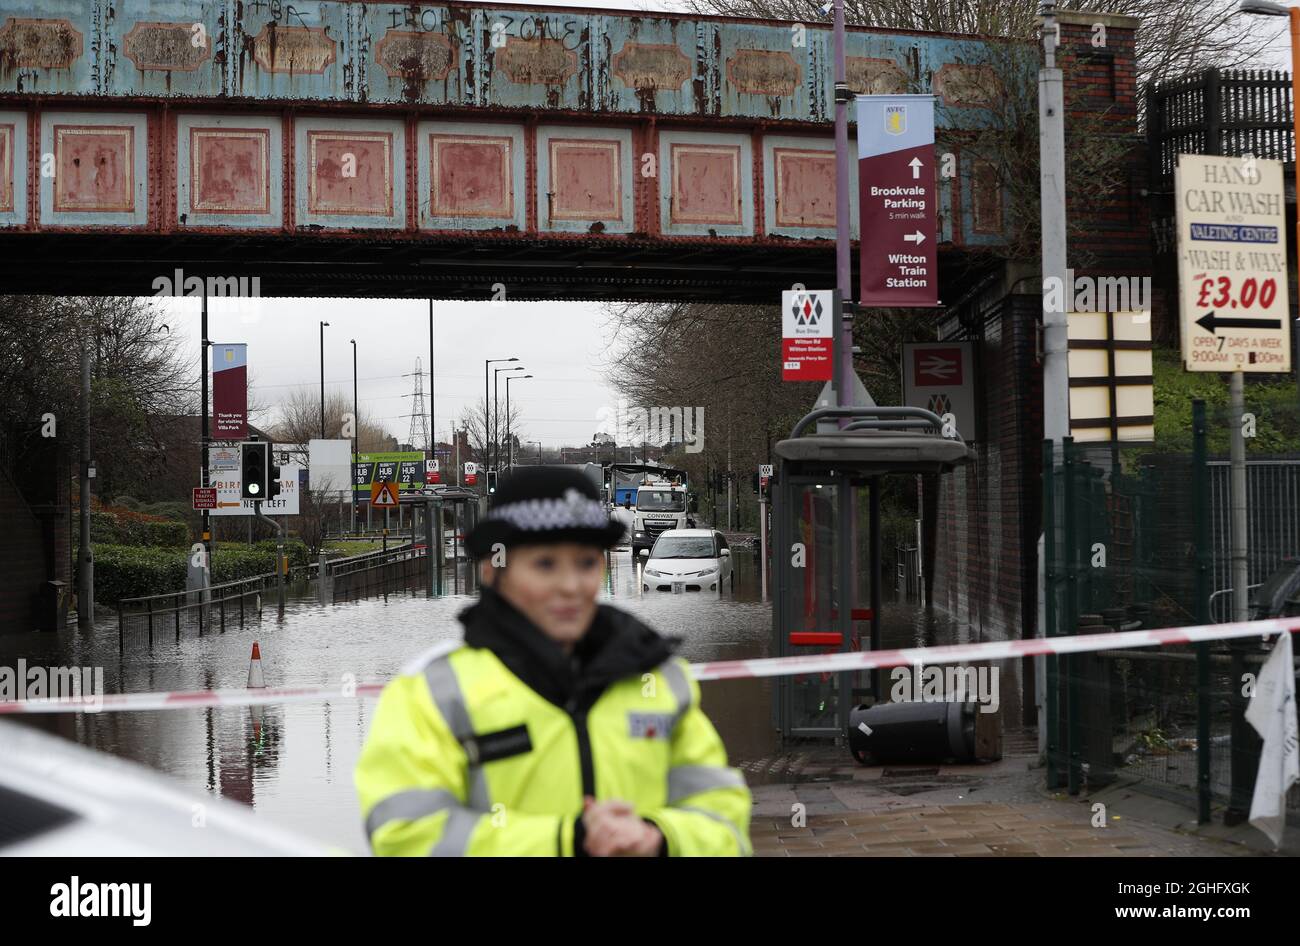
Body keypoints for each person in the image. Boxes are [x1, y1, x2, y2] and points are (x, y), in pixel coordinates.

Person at [354, 466, 751, 856]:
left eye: (586, 563)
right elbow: (403, 836)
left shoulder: (661, 677)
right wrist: (566, 841)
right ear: (494, 570)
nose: (571, 586)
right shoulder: (434, 694)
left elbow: (725, 818)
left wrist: (659, 838)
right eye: (545, 564)